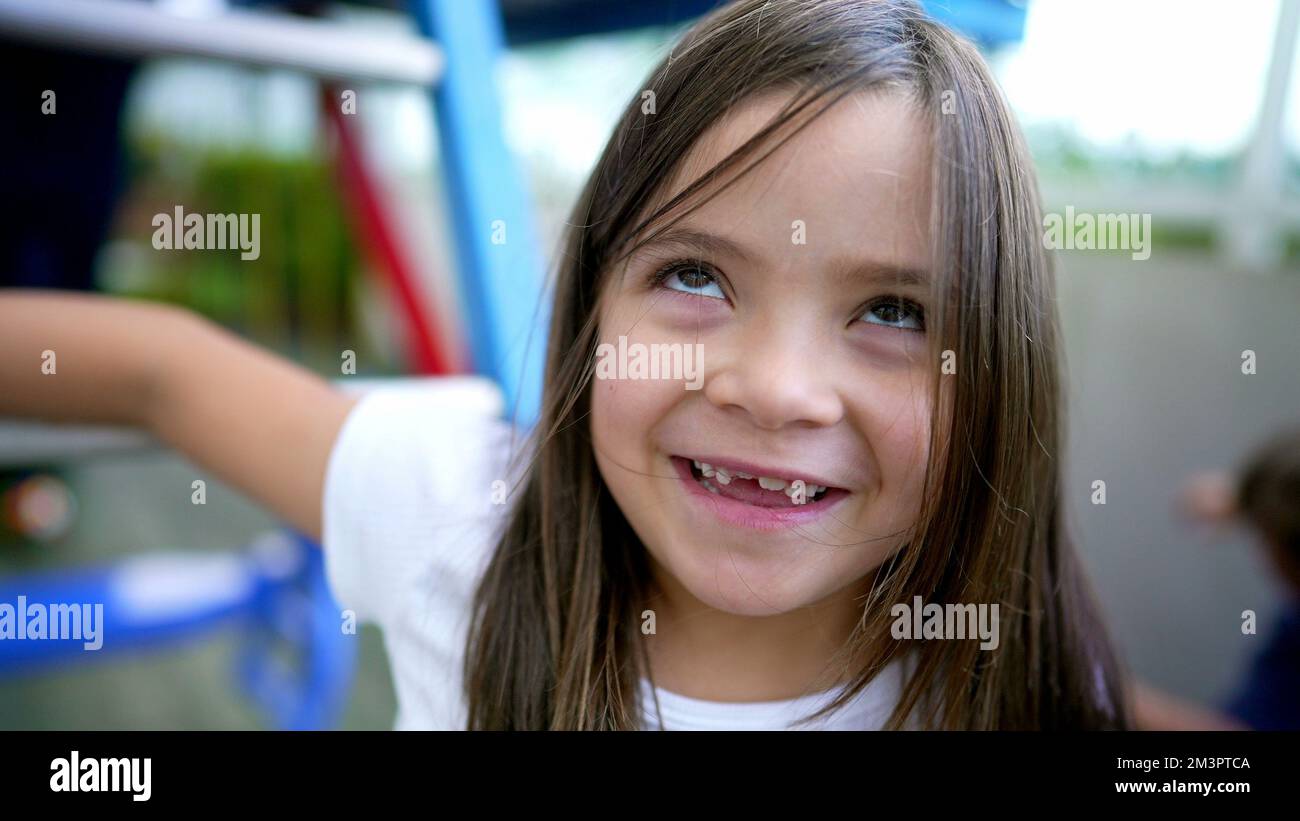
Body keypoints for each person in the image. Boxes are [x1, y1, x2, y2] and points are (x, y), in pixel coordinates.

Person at [0, 0, 1127, 729]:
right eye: (696, 276)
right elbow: (163, 372)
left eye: (891, 310)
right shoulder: (466, 514)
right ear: (593, 304)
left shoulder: (1025, 687)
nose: (774, 389)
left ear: (1000, 374)